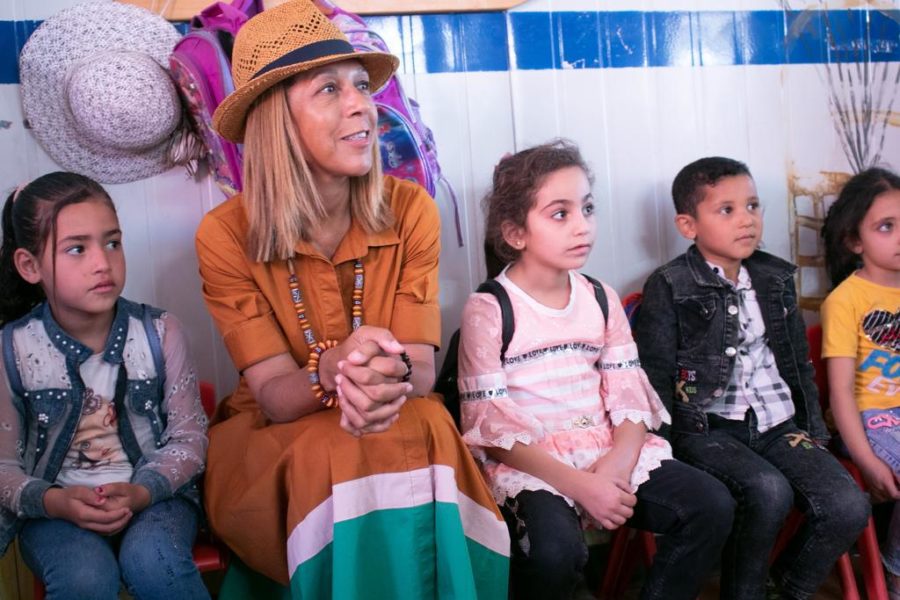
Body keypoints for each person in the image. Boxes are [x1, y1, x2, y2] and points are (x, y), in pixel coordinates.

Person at [194, 1, 509, 598]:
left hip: (394, 404)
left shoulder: (411, 209)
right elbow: (274, 396)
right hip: (278, 434)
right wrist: (334, 370)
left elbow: (419, 372)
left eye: (362, 85)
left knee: (427, 422)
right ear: (276, 120)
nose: (362, 104)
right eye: (329, 89)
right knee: (334, 447)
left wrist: (374, 371)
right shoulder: (224, 234)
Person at [458, 140, 735, 600]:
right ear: (516, 233)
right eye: (560, 214)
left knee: (711, 505)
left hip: (606, 451)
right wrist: (583, 486)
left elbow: (629, 397)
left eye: (587, 208)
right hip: (534, 464)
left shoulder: (600, 297)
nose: (582, 226)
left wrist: (616, 467)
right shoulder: (489, 308)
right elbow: (491, 432)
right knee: (554, 553)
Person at [634, 156, 871, 600]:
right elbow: (654, 375)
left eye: (753, 205)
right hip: (707, 430)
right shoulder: (670, 285)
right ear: (688, 225)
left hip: (778, 425)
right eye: (727, 210)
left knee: (847, 505)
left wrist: (814, 434)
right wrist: (661, 448)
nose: (746, 219)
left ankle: (783, 589)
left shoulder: (774, 277)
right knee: (767, 490)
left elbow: (797, 361)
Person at [0, 172, 209, 599]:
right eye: (77, 248)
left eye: (112, 242)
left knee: (154, 561)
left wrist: (142, 491)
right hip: (55, 510)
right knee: (84, 578)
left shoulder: (161, 332)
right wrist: (54, 502)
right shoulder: (12, 349)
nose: (102, 262)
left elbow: (190, 439)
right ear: (29, 266)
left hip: (156, 499)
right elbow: (3, 467)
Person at [820, 167, 900, 597]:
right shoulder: (845, 301)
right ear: (854, 241)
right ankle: (896, 571)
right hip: (870, 419)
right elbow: (840, 394)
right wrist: (867, 461)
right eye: (886, 226)